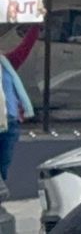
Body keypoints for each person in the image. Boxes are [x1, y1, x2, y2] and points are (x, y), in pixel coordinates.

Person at [0, 40, 34, 196]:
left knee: (4, 165)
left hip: (11, 123)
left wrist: (36, 29)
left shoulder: (6, 62)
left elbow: (24, 48)